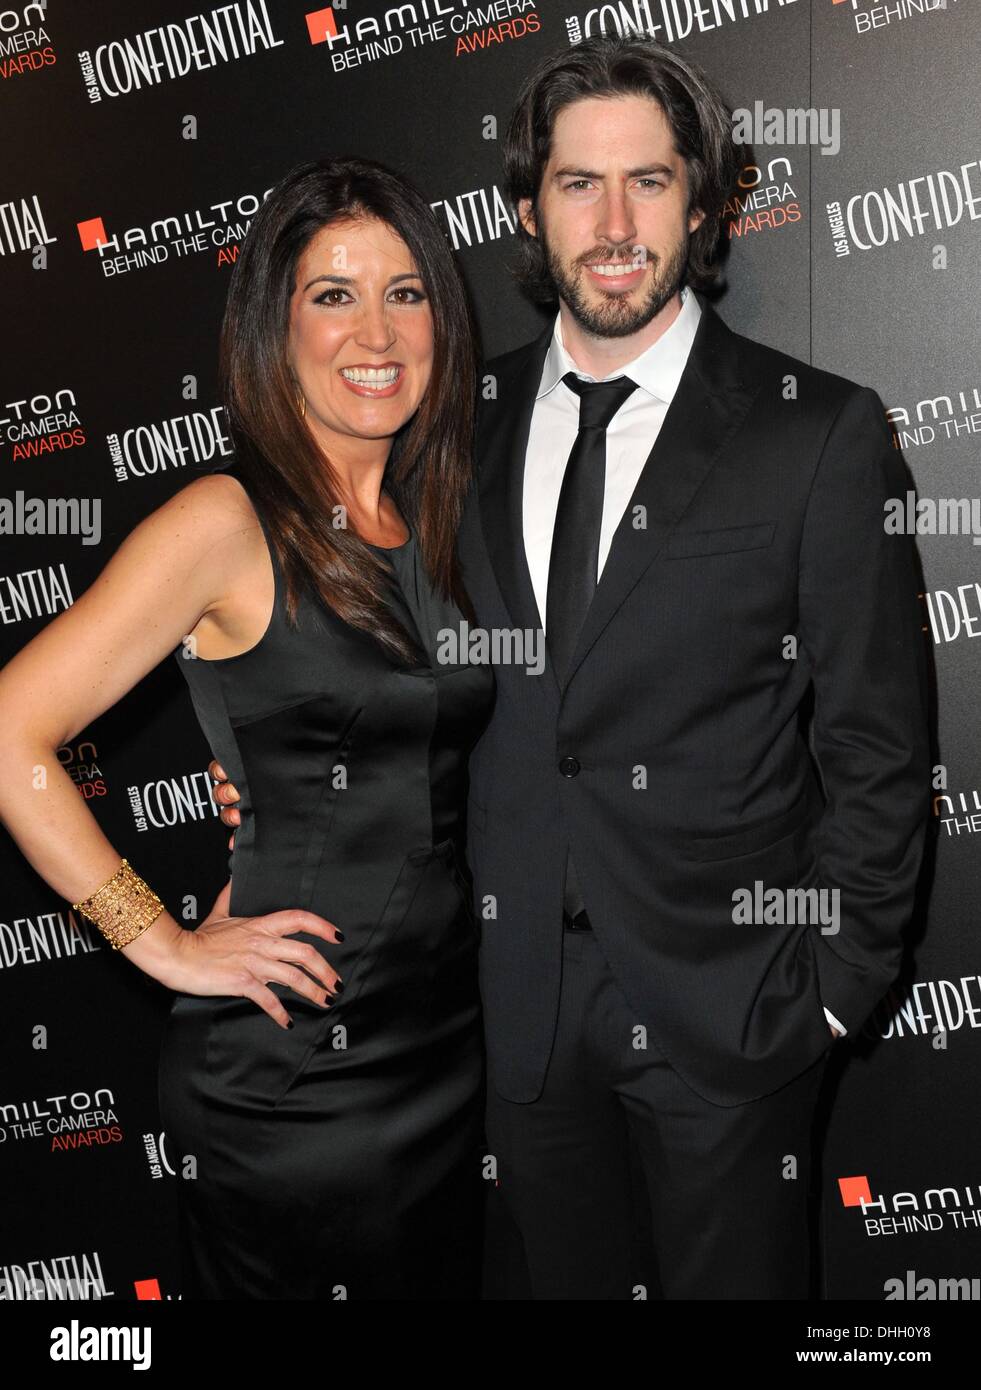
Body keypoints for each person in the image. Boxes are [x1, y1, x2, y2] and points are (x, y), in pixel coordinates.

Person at [212, 37, 931, 1299]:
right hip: (509, 1018)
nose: (611, 223)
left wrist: (829, 994)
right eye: (575, 185)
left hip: (732, 1015)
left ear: (703, 204)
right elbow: (366, 662)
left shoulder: (815, 431)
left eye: (648, 183)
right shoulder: (448, 426)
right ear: (528, 212)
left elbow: (876, 747)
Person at [0, 156, 494, 1300]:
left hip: (442, 1051)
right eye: (333, 294)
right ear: (276, 325)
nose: (374, 330)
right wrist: (159, 941)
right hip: (295, 1078)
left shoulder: (439, 516)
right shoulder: (227, 520)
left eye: (406, 291)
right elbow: (13, 728)